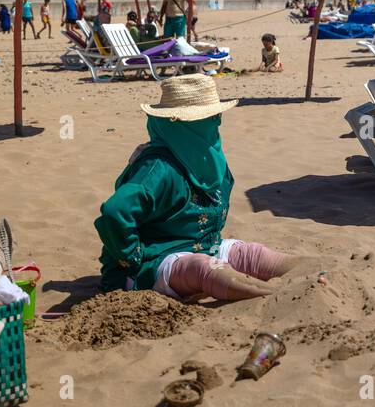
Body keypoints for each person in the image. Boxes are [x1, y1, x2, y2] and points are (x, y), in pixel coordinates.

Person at [94, 75, 299, 301]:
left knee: (253, 255)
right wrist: (133, 257)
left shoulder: (208, 158)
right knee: (204, 269)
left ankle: (311, 271)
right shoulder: (157, 168)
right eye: (210, 117)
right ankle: (273, 295)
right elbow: (115, 213)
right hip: (157, 260)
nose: (216, 122)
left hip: (206, 246)